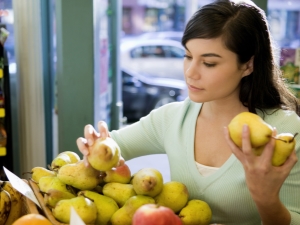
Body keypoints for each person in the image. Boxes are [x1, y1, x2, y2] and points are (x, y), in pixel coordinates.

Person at [77, 0, 300, 224]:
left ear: (248, 65)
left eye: (209, 63)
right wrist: (96, 147)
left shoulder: (286, 134)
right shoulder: (172, 118)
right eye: (187, 56)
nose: (191, 72)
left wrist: (267, 200)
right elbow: (113, 147)